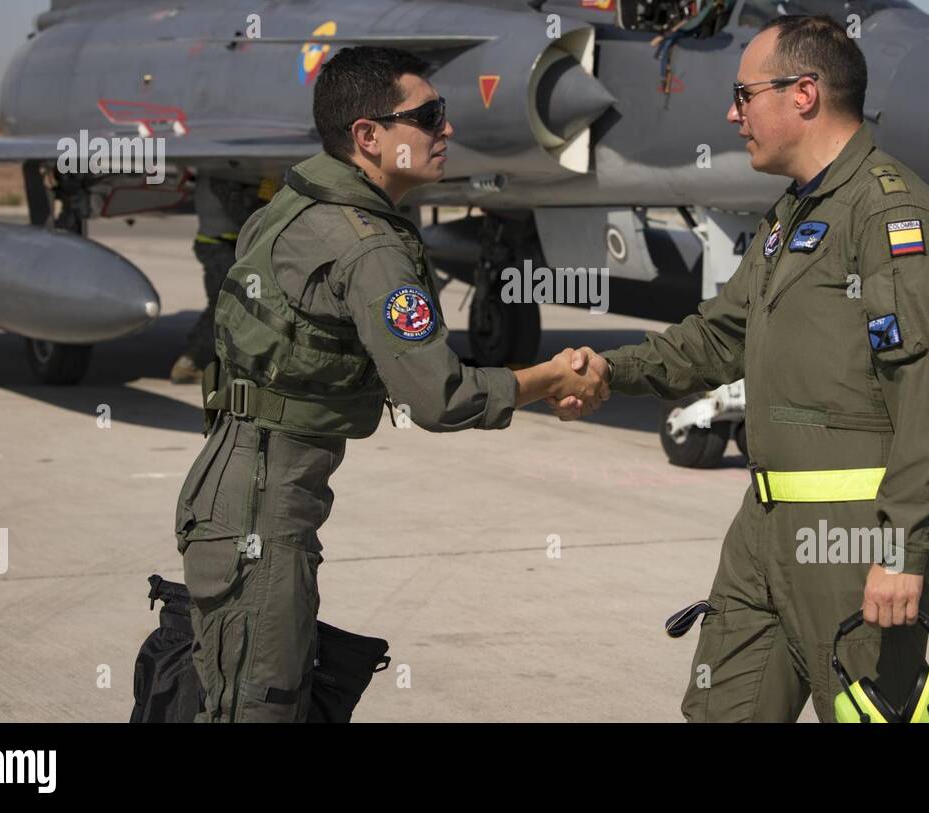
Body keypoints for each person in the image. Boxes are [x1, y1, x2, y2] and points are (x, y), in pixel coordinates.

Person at [555, 14, 929, 722]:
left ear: (803, 94)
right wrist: (607, 369)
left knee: (872, 713)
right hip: (764, 527)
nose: (731, 111)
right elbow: (718, 338)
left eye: (743, 93)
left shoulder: (889, 211)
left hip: (852, 536)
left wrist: (905, 548)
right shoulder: (793, 214)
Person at [174, 45, 607, 722]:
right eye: (429, 115)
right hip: (262, 511)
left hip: (236, 491)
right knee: (260, 710)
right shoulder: (369, 247)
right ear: (367, 137)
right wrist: (549, 377)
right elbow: (439, 397)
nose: (447, 129)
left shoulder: (291, 203)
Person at [169, 174, 271, 384]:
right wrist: (268, 195)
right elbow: (243, 214)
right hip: (218, 246)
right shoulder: (221, 172)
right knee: (223, 304)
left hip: (227, 245)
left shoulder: (223, 168)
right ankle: (190, 362)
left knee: (242, 304)